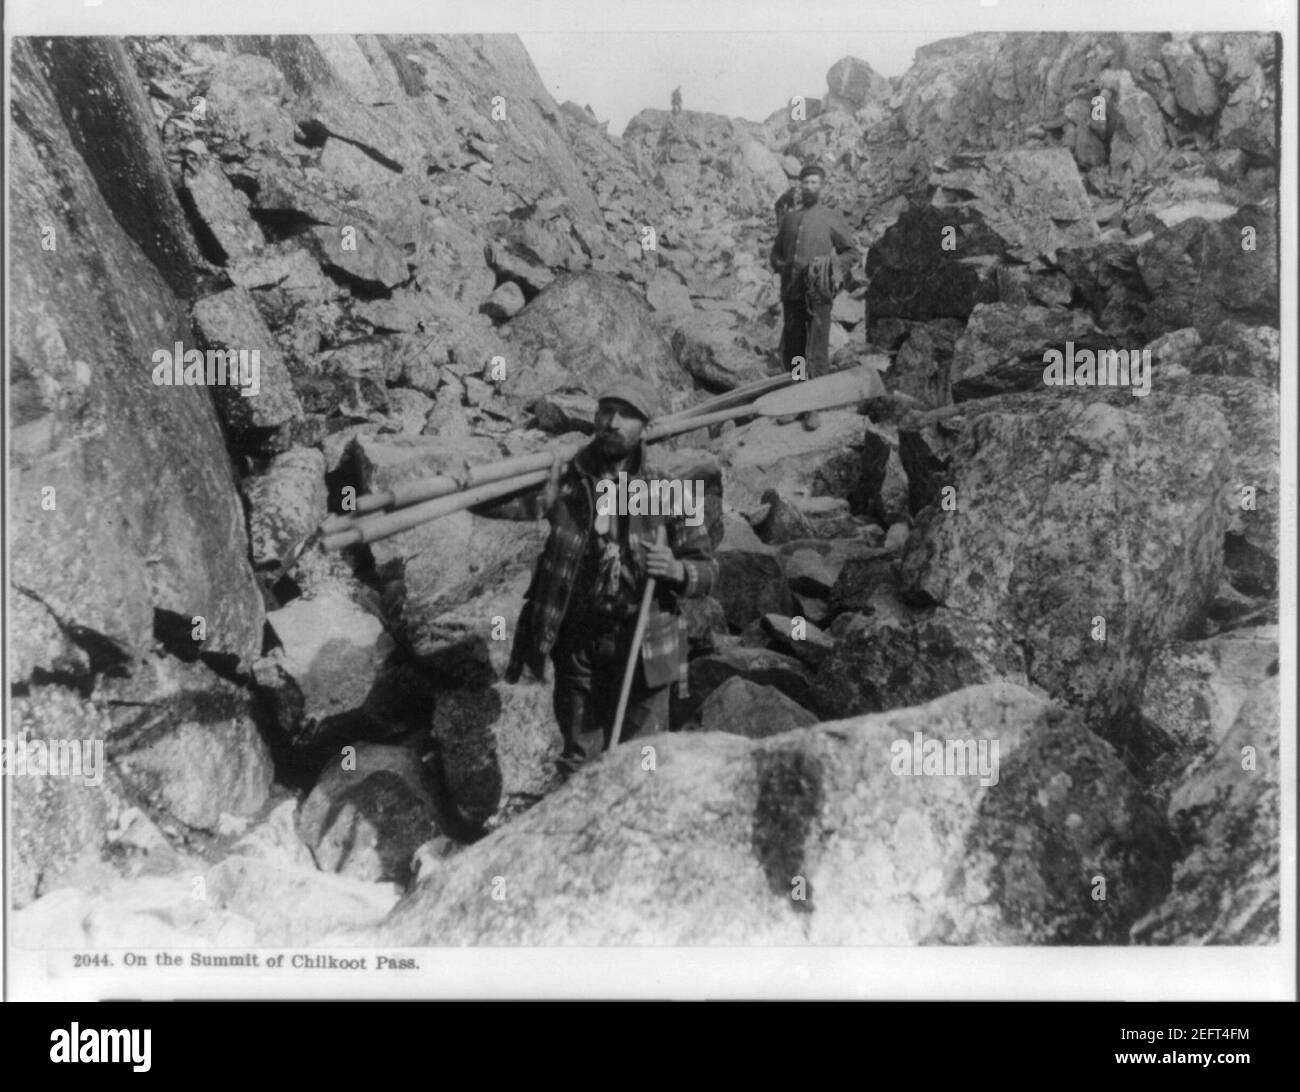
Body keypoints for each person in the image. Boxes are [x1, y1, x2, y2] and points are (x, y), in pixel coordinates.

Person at [503, 379, 718, 777]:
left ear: (645, 428)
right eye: (606, 412)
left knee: (642, 764)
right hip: (578, 642)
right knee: (579, 762)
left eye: (626, 415)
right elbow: (507, 503)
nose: (613, 422)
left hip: (646, 642)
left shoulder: (668, 490)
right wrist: (463, 479)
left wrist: (675, 569)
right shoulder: (566, 480)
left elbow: (707, 571)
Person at [769, 162, 860, 430]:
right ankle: (797, 400)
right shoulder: (790, 219)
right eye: (805, 182)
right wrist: (782, 265)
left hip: (818, 294)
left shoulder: (831, 216)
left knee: (817, 349)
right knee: (795, 348)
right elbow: (775, 254)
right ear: (799, 185)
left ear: (821, 187)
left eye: (813, 183)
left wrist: (830, 267)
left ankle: (815, 406)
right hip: (792, 294)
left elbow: (852, 252)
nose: (808, 187)